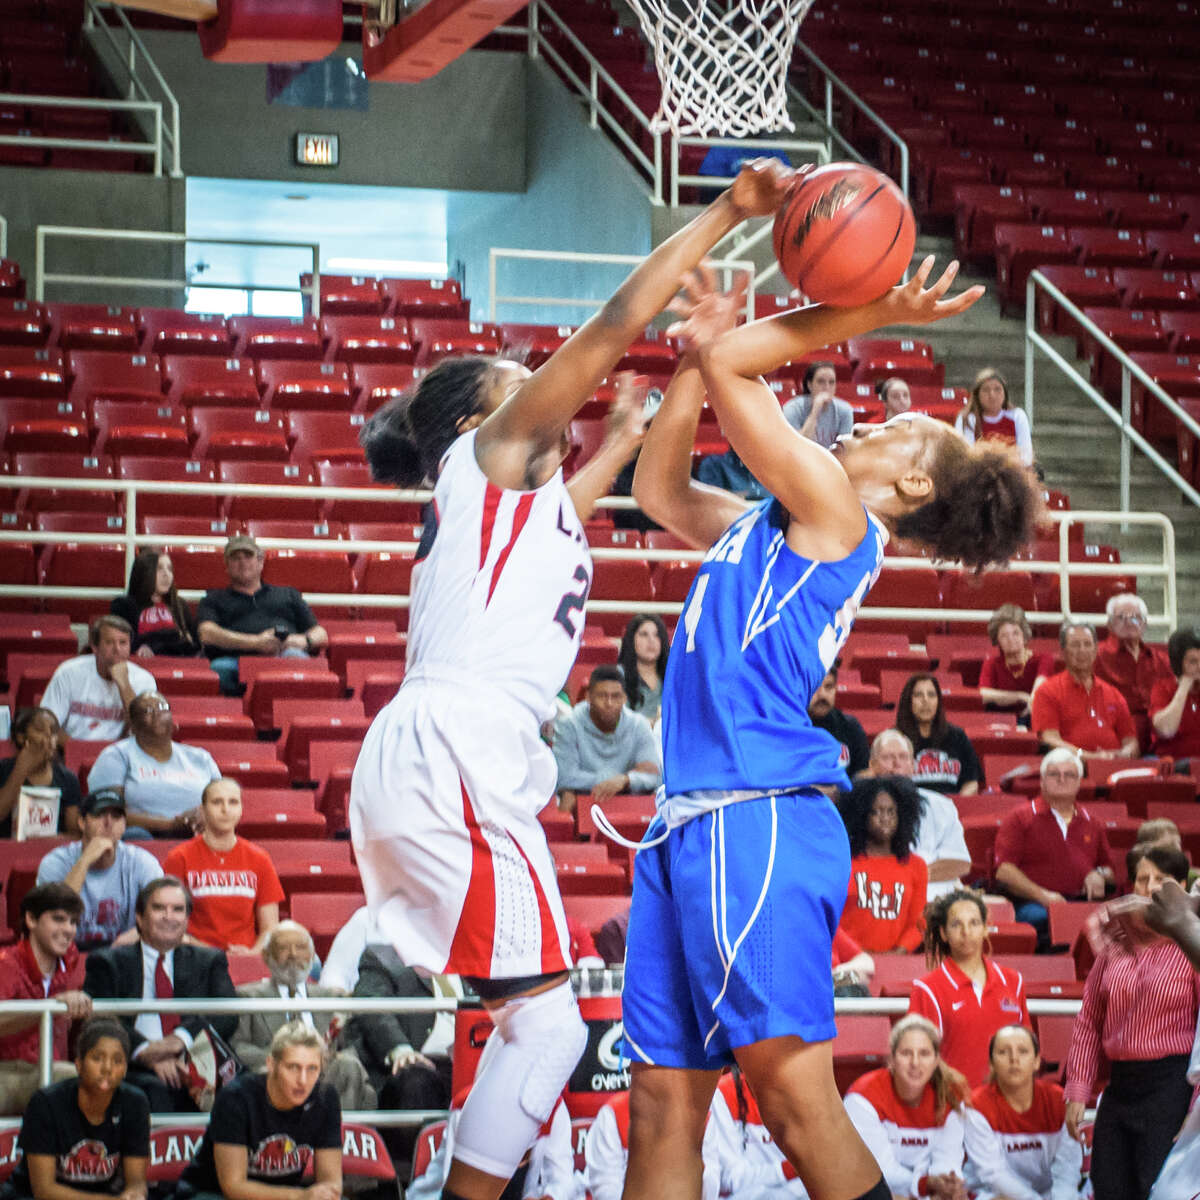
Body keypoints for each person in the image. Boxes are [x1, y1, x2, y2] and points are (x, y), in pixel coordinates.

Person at [348, 159, 795, 1200]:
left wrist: (665, 400)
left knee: (535, 1022)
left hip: (454, 756)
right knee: (549, 1026)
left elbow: (573, 512)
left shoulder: (524, 507)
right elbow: (611, 324)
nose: (542, 397)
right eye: (521, 385)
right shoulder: (488, 454)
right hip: (455, 751)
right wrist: (726, 213)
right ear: (481, 425)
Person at [618, 253, 1036, 1200]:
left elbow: (739, 369)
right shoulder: (775, 521)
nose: (871, 423)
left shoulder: (841, 514)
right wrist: (693, 360)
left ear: (914, 485)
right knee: (663, 1105)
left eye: (897, 428)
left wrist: (872, 308)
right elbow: (661, 493)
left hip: (757, 815)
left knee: (795, 1106)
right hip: (694, 818)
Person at [1064, 844, 1200, 1200]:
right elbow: (1089, 1020)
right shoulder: (1114, 945)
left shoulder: (1193, 948)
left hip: (1172, 1085)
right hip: (1121, 1083)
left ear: (1181, 890)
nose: (1150, 887)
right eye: (1142, 879)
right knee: (1108, 1184)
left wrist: (1194, 1109)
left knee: (1157, 1188)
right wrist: (1078, 1088)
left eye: (1161, 879)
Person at [83, 876, 238, 1114]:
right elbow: (101, 1020)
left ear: (187, 920)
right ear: (139, 917)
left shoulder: (209, 960)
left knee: (244, 1089)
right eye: (159, 908)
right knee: (153, 1091)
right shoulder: (107, 962)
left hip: (199, 1058)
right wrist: (147, 1052)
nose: (169, 916)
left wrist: (180, 1040)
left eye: (177, 910)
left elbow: (228, 1015)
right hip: (133, 1063)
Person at [175, 1022, 342, 1200]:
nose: (303, 1080)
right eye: (293, 1067)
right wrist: (301, 1196)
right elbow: (233, 1187)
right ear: (271, 1064)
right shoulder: (235, 1097)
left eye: (312, 1068)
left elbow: (331, 1182)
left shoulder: (325, 1098)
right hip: (211, 1193)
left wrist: (324, 1195)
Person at [1, 1018, 150, 1200]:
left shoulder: (135, 1103)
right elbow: (44, 1191)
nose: (107, 1068)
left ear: (125, 1069)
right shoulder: (46, 1103)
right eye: (97, 1058)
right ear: (78, 1064)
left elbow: (136, 1181)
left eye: (117, 1061)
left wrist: (134, 1194)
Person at [232, 921, 374, 1111]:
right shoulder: (247, 996)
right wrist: (283, 1060)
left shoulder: (331, 997)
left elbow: (351, 1043)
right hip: (275, 1071)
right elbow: (238, 1046)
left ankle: (341, 1129)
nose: (293, 954)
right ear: (266, 956)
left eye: (300, 947)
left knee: (348, 1065)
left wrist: (324, 1058)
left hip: (325, 1069)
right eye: (283, 948)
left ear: (312, 956)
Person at [345, 941, 461, 1175]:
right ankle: (421, 1181)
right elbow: (373, 1005)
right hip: (415, 1062)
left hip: (466, 1061)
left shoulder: (472, 958)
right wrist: (400, 1050)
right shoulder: (383, 956)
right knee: (415, 1081)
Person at [909, 889, 1030, 1087]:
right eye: (956, 924)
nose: (966, 932)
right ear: (944, 933)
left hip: (1005, 1101)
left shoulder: (1013, 981)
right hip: (953, 1102)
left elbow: (1026, 1046)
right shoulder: (927, 989)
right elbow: (919, 1056)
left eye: (974, 923)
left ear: (985, 928)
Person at [993, 748, 1115, 946]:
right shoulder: (1020, 817)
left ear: (1079, 782)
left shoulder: (1092, 822)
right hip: (1033, 903)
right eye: (1054, 774)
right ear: (1042, 781)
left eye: (1069, 775)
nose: (1062, 779)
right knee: (1042, 920)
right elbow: (1004, 871)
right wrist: (1044, 896)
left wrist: (1098, 873)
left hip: (1081, 902)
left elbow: (1110, 871)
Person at [843, 1015, 969, 1200]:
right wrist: (925, 1185)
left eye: (924, 1054)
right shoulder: (863, 1097)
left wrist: (947, 1187)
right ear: (892, 1059)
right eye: (906, 1053)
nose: (915, 1063)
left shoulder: (952, 1096)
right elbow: (877, 1172)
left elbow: (948, 1162)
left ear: (936, 1060)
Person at [196, 535, 330, 694]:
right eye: (236, 558)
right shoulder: (213, 599)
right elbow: (206, 633)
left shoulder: (288, 594)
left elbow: (321, 634)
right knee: (218, 670)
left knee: (298, 659)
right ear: (227, 566)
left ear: (260, 562)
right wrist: (256, 642)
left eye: (248, 556)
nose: (242, 562)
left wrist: (303, 641)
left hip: (285, 656)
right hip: (235, 661)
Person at [163, 778, 283, 955]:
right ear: (202, 810)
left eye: (233, 802)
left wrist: (251, 955)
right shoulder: (179, 857)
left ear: (241, 809)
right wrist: (212, 954)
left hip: (245, 958)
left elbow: (270, 928)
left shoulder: (260, 859)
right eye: (217, 802)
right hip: (195, 956)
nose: (225, 809)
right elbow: (168, 924)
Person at [0, 883, 91, 1115]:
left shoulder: (70, 961)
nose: (68, 929)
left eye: (73, 922)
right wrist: (50, 1008)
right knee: (72, 1080)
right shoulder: (6, 964)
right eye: (58, 919)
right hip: (6, 1071)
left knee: (100, 1080)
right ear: (31, 919)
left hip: (49, 1067)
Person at [962, 1025, 1083, 1200]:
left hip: (1048, 1193)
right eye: (1003, 1052)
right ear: (991, 1064)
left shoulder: (1058, 1100)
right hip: (993, 1193)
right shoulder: (977, 1105)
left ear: (1037, 1061)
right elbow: (993, 1174)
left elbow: (1068, 1169)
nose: (1014, 1059)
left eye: (1023, 1051)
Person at [36, 789, 162, 950]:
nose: (108, 823)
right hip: (66, 951)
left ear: (124, 825)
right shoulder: (56, 862)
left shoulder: (142, 862)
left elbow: (162, 916)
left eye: (116, 816)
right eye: (99, 815)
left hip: (124, 953)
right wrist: (84, 861)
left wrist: (139, 934)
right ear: (82, 822)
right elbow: (54, 916)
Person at [408, 1086, 582, 1200]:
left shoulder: (552, 1107)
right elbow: (454, 1191)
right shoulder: (469, 1105)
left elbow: (563, 1181)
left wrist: (549, 1197)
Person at [85, 692, 219, 838]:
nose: (157, 713)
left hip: (197, 833)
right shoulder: (116, 755)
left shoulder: (200, 757)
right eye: (147, 710)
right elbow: (108, 813)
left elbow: (223, 800)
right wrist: (171, 824)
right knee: (136, 834)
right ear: (133, 726)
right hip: (144, 835)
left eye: (162, 707)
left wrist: (203, 815)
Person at [865, 730, 970, 903]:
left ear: (913, 765)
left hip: (935, 899)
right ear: (872, 765)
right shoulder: (858, 806)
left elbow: (960, 863)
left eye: (903, 757)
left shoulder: (941, 806)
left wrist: (911, 876)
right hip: (877, 896)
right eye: (888, 757)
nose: (896, 764)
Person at [837, 776, 928, 954]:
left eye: (891, 812)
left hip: (897, 961)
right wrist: (856, 954)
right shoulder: (843, 862)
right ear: (862, 815)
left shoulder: (916, 865)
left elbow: (918, 924)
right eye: (876, 812)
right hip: (847, 960)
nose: (885, 818)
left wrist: (896, 955)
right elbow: (831, 921)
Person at [553, 665, 661, 812]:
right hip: (586, 799)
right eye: (602, 696)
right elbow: (564, 777)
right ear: (588, 697)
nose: (609, 703)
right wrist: (615, 781)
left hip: (629, 801)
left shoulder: (639, 725)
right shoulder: (569, 724)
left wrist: (625, 781)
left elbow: (654, 777)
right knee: (567, 796)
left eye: (616, 696)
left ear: (624, 699)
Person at [1030, 621, 1139, 759]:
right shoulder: (1047, 691)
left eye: (1087, 644)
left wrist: (1122, 755)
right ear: (1063, 652)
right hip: (1070, 766)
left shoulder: (1113, 693)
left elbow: (1131, 742)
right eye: (1075, 645)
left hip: (1114, 765)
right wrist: (1088, 756)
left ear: (1095, 650)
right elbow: (1049, 740)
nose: (1082, 650)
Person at [41, 617, 156, 744]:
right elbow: (47, 723)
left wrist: (124, 685)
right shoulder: (68, 673)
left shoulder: (144, 679)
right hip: (72, 746)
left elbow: (145, 730)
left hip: (120, 752)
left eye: (123, 643)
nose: (117, 649)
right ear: (95, 648)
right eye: (109, 643)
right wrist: (76, 749)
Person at [1094, 593, 1174, 752]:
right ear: (1109, 624)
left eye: (1136, 617)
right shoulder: (1095, 656)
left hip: (1160, 735)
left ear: (1145, 623)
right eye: (1121, 617)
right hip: (1116, 735)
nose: (1129, 622)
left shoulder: (1162, 660)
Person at [894, 673, 984, 795]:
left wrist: (956, 803)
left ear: (938, 701)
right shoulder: (894, 738)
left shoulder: (957, 736)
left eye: (931, 695)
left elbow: (971, 783)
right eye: (918, 695)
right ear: (908, 701)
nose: (925, 701)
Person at [0, 706, 82, 836]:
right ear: (21, 737)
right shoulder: (3, 770)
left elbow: (74, 834)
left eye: (53, 731)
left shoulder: (68, 778)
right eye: (40, 730)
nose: (49, 736)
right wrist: (21, 769)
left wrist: (49, 841)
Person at [110, 550, 199, 658]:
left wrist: (154, 643)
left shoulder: (180, 605)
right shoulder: (123, 605)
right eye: (159, 568)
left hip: (177, 662)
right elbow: (122, 642)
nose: (166, 574)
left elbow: (190, 643)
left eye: (169, 569)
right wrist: (169, 636)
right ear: (144, 572)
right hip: (140, 663)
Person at [978, 603, 1053, 722]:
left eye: (1015, 633)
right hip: (1001, 719)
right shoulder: (992, 663)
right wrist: (1019, 696)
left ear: (1024, 635)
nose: (1011, 639)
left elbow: (1039, 688)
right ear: (997, 641)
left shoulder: (1043, 659)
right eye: (1004, 635)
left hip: (1034, 716)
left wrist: (1031, 700)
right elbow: (983, 694)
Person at [954, 368, 1033, 466]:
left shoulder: (1017, 416)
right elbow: (967, 457)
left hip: (1013, 471)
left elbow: (1026, 457)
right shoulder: (967, 419)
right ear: (977, 395)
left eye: (997, 389)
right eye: (986, 390)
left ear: (1005, 393)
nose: (992, 395)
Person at [808, 665, 870, 779]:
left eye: (829, 687)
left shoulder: (850, 727)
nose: (822, 695)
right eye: (815, 687)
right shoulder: (788, 727)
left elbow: (863, 775)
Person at [1149, 624, 1200, 761]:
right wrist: (1184, 686)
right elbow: (1166, 730)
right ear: (1178, 663)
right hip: (1175, 765)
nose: (1199, 667)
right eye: (1193, 662)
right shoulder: (1162, 689)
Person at [782, 361, 854, 447]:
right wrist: (815, 411)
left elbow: (845, 449)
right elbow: (796, 446)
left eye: (831, 382)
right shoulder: (793, 408)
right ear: (809, 385)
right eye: (820, 382)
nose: (827, 387)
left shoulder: (845, 410)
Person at [617, 614, 670, 722]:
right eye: (644, 635)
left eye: (657, 635)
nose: (651, 640)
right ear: (631, 641)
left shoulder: (672, 676)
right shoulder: (618, 675)